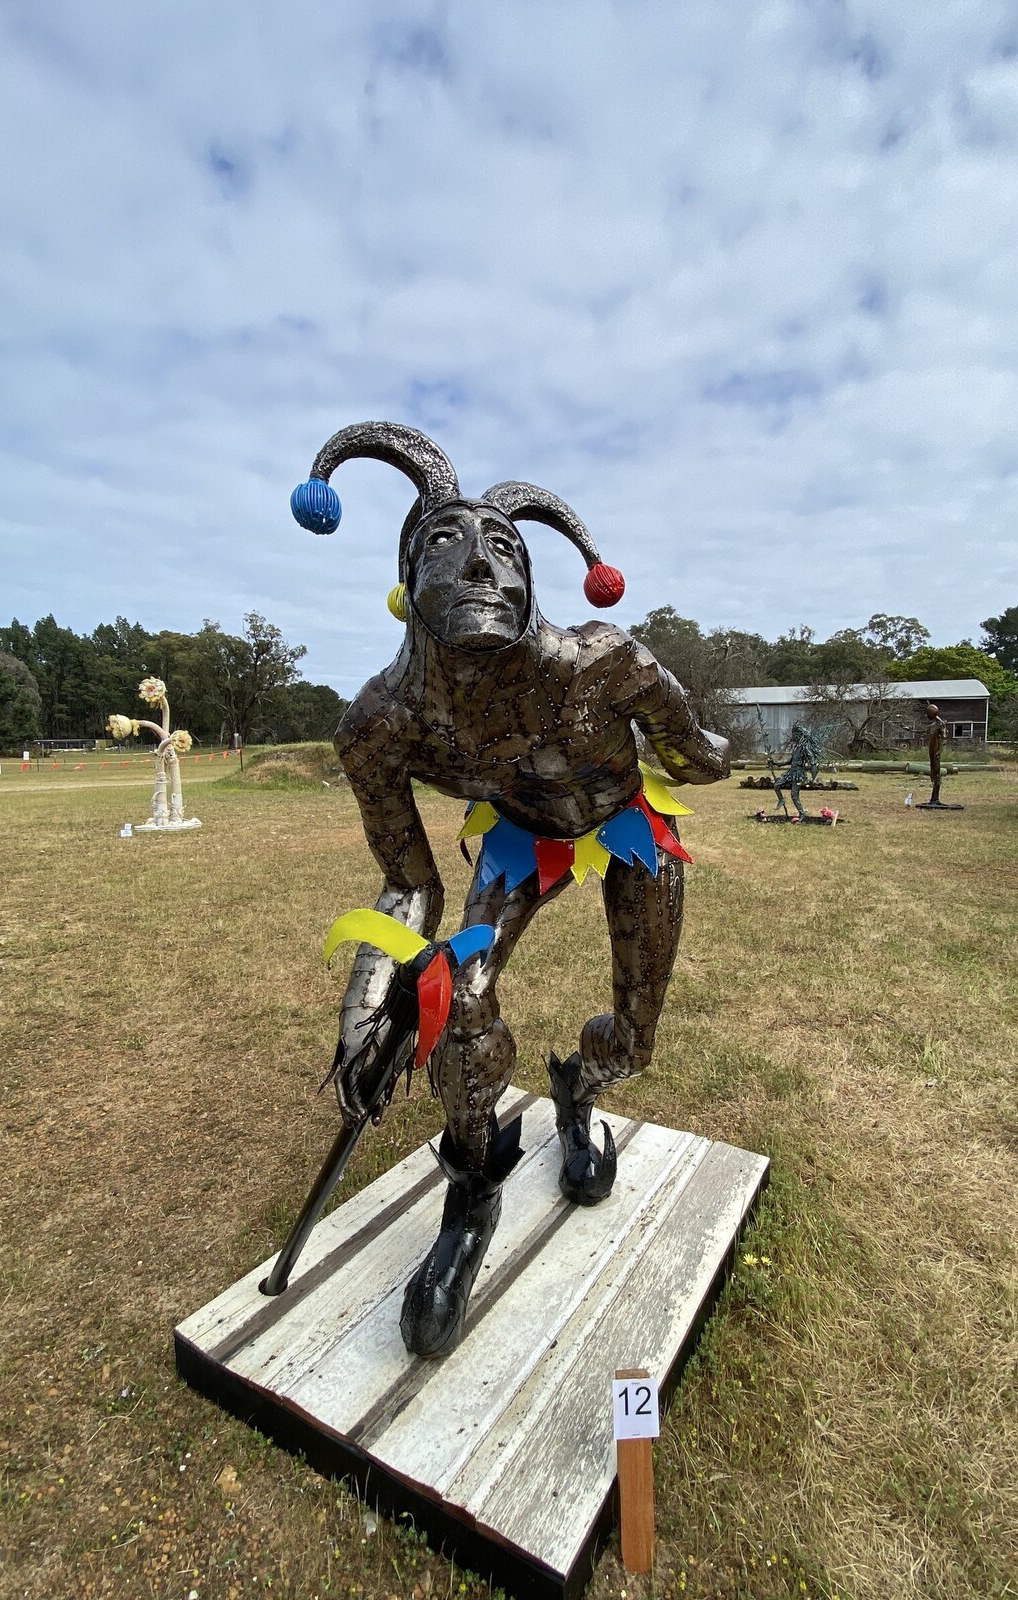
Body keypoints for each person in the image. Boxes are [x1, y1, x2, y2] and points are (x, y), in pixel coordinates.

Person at [292, 422, 730, 1356]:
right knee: (456, 1003)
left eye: (505, 549)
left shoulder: (602, 660)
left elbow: (695, 761)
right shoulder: (385, 724)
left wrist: (683, 732)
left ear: (531, 584)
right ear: (409, 583)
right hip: (520, 844)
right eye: (447, 544)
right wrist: (371, 996)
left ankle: (579, 1090)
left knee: (639, 1036)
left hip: (630, 829)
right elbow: (408, 883)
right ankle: (474, 1183)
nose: (483, 568)